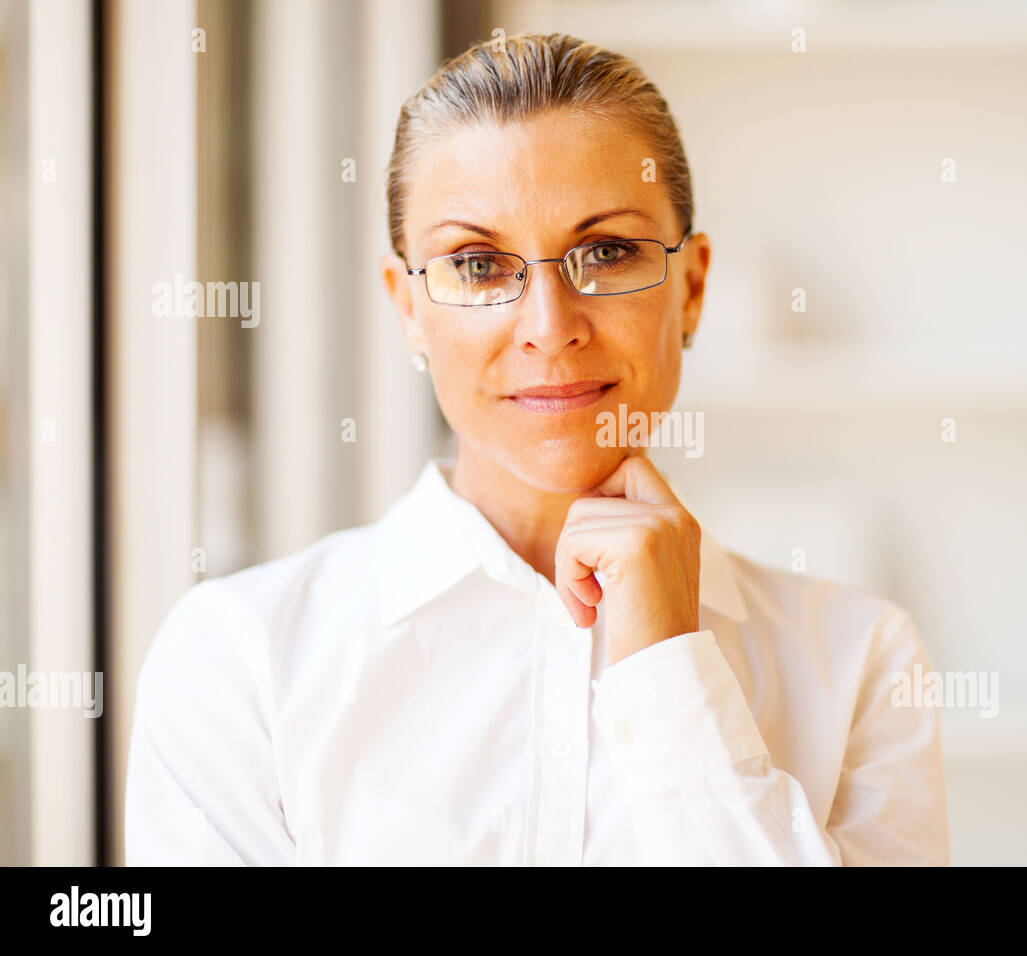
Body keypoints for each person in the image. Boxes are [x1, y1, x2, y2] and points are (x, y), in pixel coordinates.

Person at [125, 31, 948, 866]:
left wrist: (669, 670)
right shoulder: (240, 659)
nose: (550, 329)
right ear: (409, 309)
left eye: (607, 252)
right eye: (479, 265)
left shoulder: (859, 660)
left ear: (692, 289)